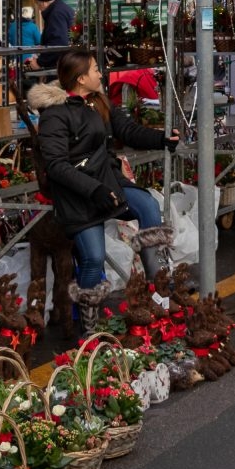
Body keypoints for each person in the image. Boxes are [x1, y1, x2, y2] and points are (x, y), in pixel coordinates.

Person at [30, 50, 180, 333]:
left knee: (147, 206)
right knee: (93, 258)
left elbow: (128, 130)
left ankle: (159, 293)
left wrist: (161, 139)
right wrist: (93, 189)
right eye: (96, 69)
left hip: (109, 184)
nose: (101, 73)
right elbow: (56, 165)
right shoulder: (54, 115)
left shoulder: (99, 102)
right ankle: (90, 331)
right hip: (77, 196)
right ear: (81, 77)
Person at [33, 0, 76, 70]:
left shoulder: (55, 14)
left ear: (44, 2)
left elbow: (58, 42)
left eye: (38, 4)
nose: (38, 8)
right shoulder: (61, 9)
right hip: (67, 62)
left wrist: (40, 62)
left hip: (61, 66)